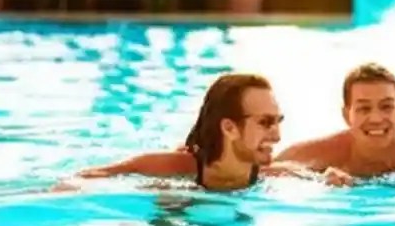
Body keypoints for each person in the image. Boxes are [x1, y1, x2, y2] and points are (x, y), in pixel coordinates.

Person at [64, 72, 302, 192]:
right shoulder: (176, 168)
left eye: (278, 121)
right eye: (265, 122)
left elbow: (318, 179)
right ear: (229, 128)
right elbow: (91, 175)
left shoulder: (273, 175)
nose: (277, 135)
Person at [275, 62, 395, 183]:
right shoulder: (323, 154)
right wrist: (315, 181)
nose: (376, 119)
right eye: (364, 109)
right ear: (346, 115)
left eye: (386, 107)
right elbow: (263, 171)